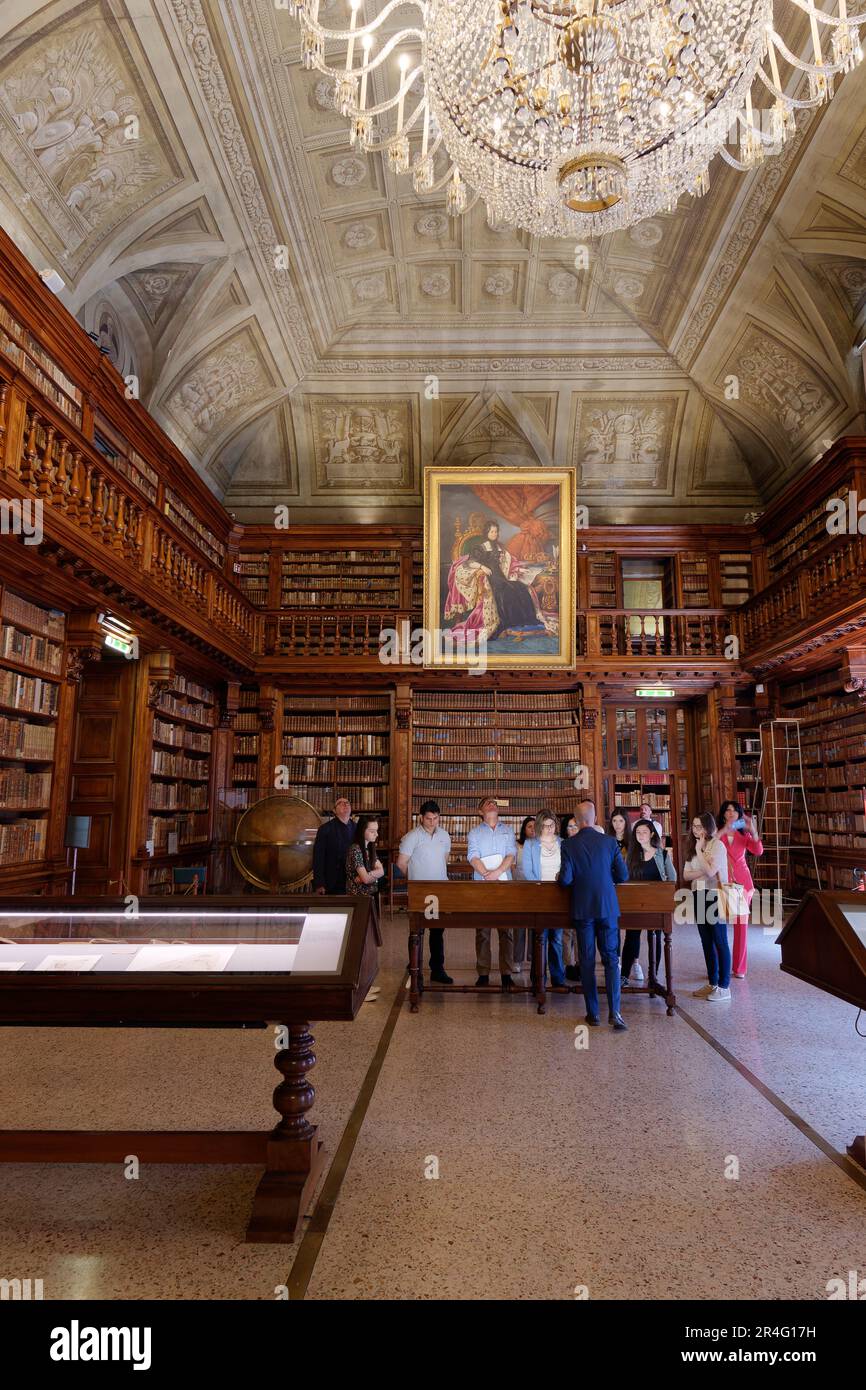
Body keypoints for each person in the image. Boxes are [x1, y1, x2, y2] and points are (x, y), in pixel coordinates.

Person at [560, 799, 629, 1030]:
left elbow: (566, 879)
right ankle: (616, 1013)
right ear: (595, 818)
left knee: (587, 961)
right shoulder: (610, 842)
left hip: (583, 909)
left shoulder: (569, 845)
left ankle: (593, 1014)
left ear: (577, 821)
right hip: (607, 908)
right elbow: (623, 875)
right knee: (611, 959)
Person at [397, 800, 453, 985]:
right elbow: (401, 864)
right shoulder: (411, 837)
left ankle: (437, 969)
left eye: (435, 818)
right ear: (421, 818)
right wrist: (415, 879)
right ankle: (414, 964)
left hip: (439, 889)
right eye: (428, 818)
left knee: (437, 930)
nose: (432, 822)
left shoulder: (445, 836)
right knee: (417, 929)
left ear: (439, 817)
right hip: (419, 890)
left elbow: (443, 860)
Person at [620, 818, 676, 991]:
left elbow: (672, 878)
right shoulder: (631, 854)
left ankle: (654, 976)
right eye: (637, 832)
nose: (641, 835)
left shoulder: (662, 854)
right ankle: (624, 975)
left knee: (655, 939)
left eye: (644, 832)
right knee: (631, 938)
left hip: (656, 904)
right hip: (635, 903)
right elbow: (624, 878)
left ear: (652, 834)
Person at [467, 796, 517, 990]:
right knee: (483, 931)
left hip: (505, 885)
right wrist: (486, 874)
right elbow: (472, 855)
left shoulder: (508, 830)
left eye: (494, 803)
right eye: (487, 803)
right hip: (483, 885)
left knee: (507, 931)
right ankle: (483, 973)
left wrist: (497, 873)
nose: (492, 804)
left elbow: (511, 854)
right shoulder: (474, 833)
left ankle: (506, 974)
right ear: (480, 811)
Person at [683, 813, 731, 1002]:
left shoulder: (717, 845)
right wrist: (702, 869)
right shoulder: (691, 847)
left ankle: (725, 986)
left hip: (715, 895)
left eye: (700, 827)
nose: (697, 830)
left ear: (709, 827)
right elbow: (686, 875)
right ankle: (712, 983)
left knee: (720, 940)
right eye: (694, 826)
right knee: (706, 940)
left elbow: (712, 872)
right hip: (698, 894)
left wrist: (699, 850)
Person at [717, 800, 764, 979]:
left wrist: (753, 830)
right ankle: (719, 967)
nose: (731, 813)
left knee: (741, 927)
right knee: (718, 927)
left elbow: (758, 851)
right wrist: (724, 829)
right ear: (723, 814)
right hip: (721, 883)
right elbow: (710, 845)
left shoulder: (743, 836)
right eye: (727, 811)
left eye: (734, 811)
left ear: (739, 815)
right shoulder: (717, 833)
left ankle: (739, 968)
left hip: (743, 884)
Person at [521, 808, 566, 988]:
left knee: (556, 938)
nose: (549, 829)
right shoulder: (530, 845)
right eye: (545, 825)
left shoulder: (563, 843)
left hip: (558, 895)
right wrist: (540, 888)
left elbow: (567, 867)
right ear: (539, 826)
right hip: (539, 895)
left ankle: (558, 978)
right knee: (539, 938)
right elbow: (528, 870)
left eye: (552, 825)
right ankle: (538, 978)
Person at [346, 815, 385, 940]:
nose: (376, 834)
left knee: (371, 937)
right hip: (358, 899)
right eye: (372, 831)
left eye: (376, 831)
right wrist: (371, 875)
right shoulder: (355, 849)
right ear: (362, 830)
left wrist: (368, 875)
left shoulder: (370, 848)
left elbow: (382, 871)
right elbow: (366, 879)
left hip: (370, 897)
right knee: (359, 937)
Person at [312, 796, 355, 894]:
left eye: (347, 802)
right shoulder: (325, 829)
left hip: (354, 880)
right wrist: (319, 883)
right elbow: (318, 858)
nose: (345, 804)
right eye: (340, 803)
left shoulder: (358, 829)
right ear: (334, 811)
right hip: (332, 881)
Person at [513, 815, 536, 971]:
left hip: (536, 890)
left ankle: (534, 958)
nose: (533, 829)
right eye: (529, 826)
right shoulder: (517, 846)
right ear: (524, 829)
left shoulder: (542, 845)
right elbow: (513, 868)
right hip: (520, 889)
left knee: (535, 927)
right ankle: (517, 960)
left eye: (535, 826)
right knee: (519, 927)